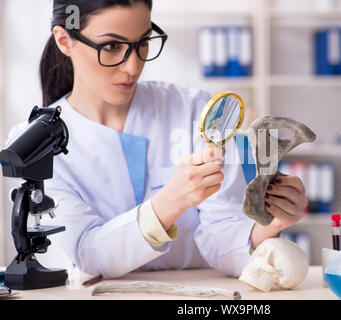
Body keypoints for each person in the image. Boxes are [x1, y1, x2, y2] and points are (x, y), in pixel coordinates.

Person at [7, 0, 308, 279]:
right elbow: (89, 252)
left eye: (142, 43)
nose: (133, 66)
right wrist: (169, 202)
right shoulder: (36, 144)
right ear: (65, 41)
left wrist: (270, 224)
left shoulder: (196, 111)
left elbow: (222, 235)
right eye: (111, 46)